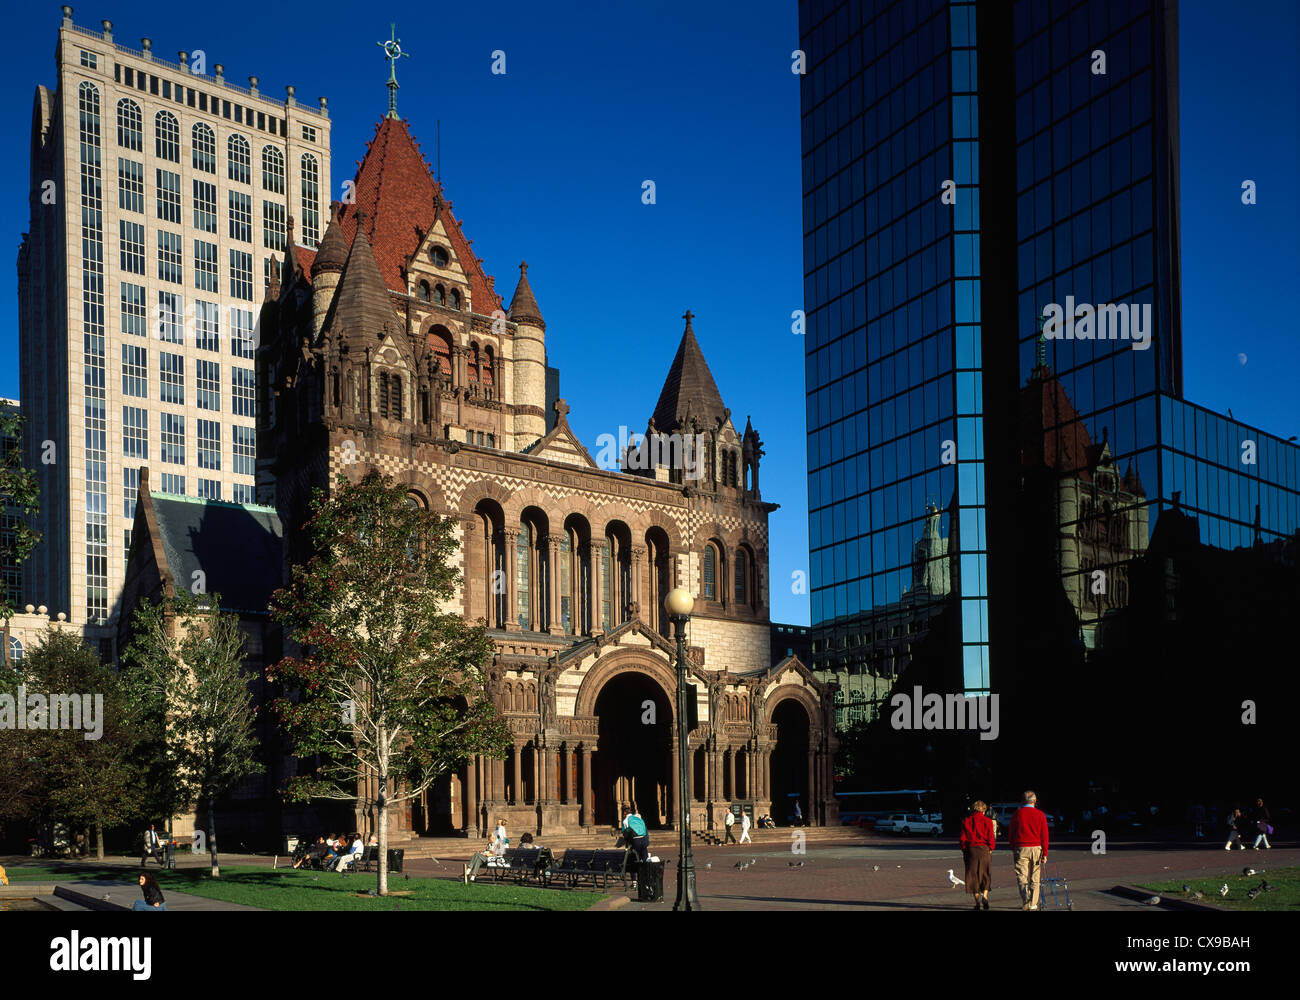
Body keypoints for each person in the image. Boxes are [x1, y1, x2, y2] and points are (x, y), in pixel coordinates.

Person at [1008, 790, 1049, 911]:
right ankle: (1033, 903)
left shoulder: (1017, 814)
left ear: (1022, 801)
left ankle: (1025, 897)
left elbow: (1011, 833)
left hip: (1021, 848)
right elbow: (1045, 835)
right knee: (1035, 876)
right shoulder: (1040, 814)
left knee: (1022, 875)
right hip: (1036, 848)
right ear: (1035, 801)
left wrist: (1013, 847)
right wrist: (1045, 853)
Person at [959, 801, 996, 910]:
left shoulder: (966, 821)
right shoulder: (988, 821)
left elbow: (962, 839)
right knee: (985, 873)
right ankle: (984, 896)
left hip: (971, 850)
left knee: (972, 876)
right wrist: (991, 848)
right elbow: (991, 837)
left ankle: (977, 903)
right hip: (984, 849)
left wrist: (964, 849)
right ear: (983, 810)